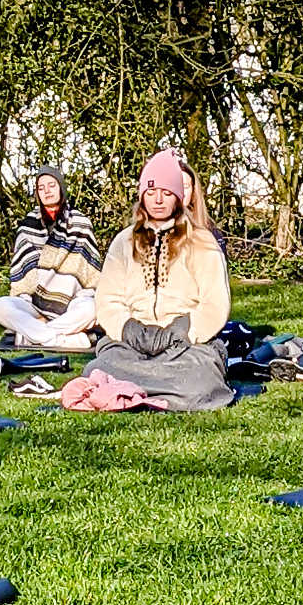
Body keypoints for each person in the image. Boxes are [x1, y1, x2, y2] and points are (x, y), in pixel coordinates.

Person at [84, 150, 234, 410]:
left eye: (166, 193)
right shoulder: (124, 241)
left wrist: (181, 331)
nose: (158, 200)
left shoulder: (202, 241)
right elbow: (108, 300)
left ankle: (129, 390)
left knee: (199, 380)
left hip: (186, 346)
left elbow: (215, 303)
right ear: (142, 195)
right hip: (130, 346)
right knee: (96, 370)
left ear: (178, 197)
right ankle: (161, 392)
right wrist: (129, 329)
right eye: (152, 192)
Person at [0, 166, 101, 348]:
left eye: (51, 185)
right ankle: (66, 340)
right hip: (34, 303)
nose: (47, 191)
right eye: (41, 188)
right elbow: (22, 275)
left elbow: (90, 273)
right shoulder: (28, 226)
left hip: (72, 302)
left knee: (92, 308)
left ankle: (31, 337)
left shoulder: (80, 223)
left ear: (61, 188)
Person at [180, 163, 227, 255]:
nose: (180, 192)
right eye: (175, 186)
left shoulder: (211, 233)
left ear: (193, 190)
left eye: (185, 186)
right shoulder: (155, 232)